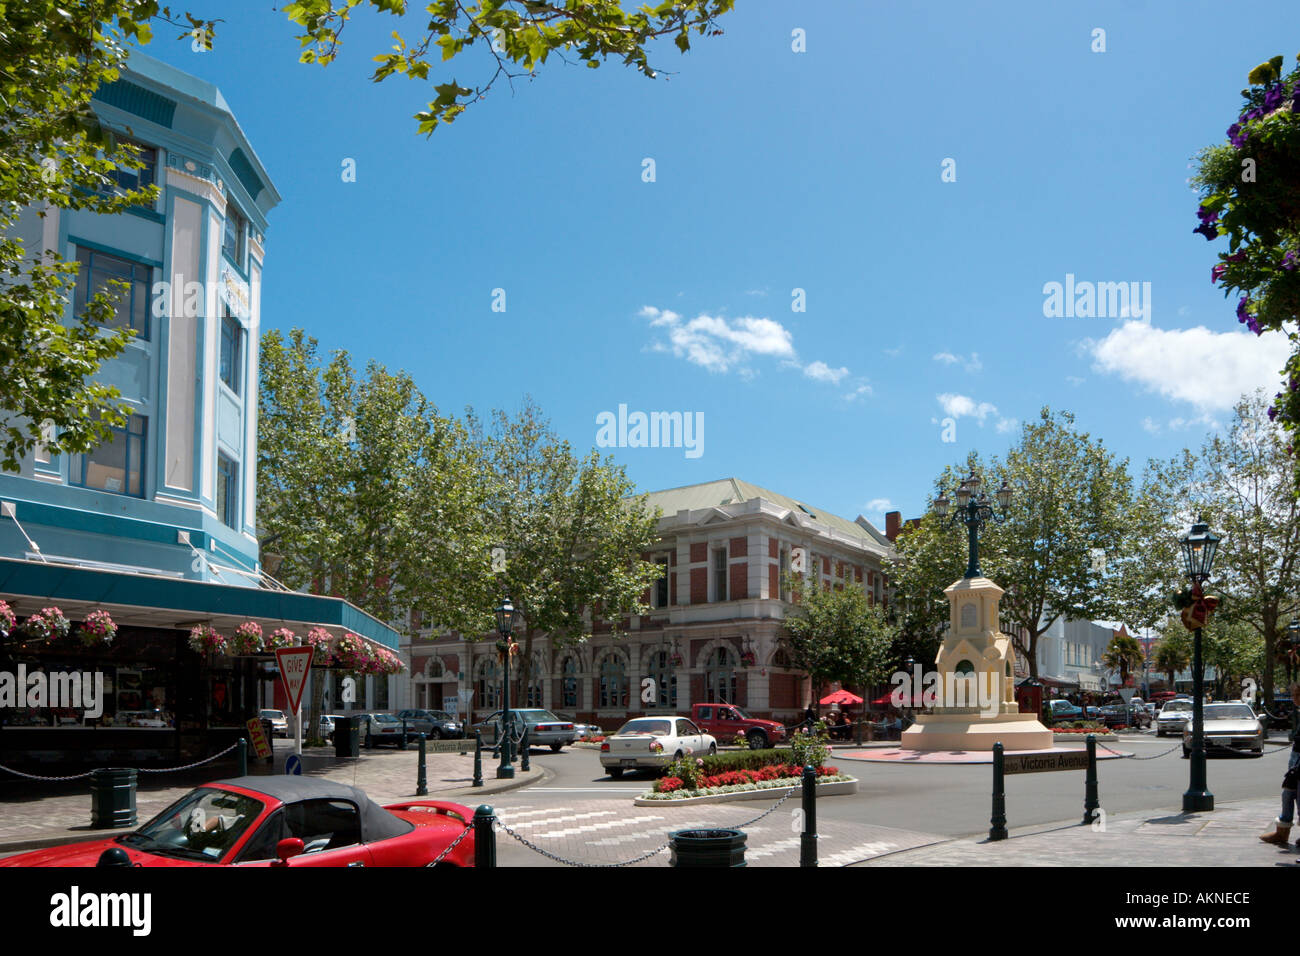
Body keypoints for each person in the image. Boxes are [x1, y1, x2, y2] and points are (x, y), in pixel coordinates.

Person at [1261, 684, 1300, 847]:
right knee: (1288, 794)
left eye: (1296, 695)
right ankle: (1282, 832)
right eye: (1293, 695)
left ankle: (1283, 832)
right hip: (1296, 759)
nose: (1293, 698)